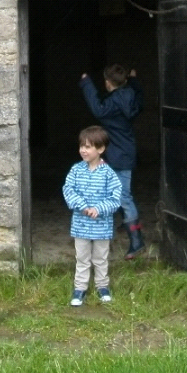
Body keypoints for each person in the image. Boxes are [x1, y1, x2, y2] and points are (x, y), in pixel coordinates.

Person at [79, 64, 146, 259]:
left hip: (119, 155)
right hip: (122, 151)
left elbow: (98, 109)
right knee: (111, 193)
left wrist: (86, 84)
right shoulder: (131, 95)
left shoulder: (113, 102)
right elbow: (139, 95)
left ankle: (137, 241)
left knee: (123, 197)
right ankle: (126, 224)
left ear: (108, 83)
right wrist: (133, 80)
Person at [62, 125, 123, 306]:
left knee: (100, 258)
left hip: (101, 226)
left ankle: (102, 286)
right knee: (82, 258)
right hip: (81, 225)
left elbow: (115, 197)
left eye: (88, 147)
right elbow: (68, 190)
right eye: (82, 146)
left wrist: (99, 209)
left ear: (101, 149)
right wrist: (82, 206)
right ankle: (79, 289)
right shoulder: (76, 170)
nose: (83, 150)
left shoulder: (108, 174)